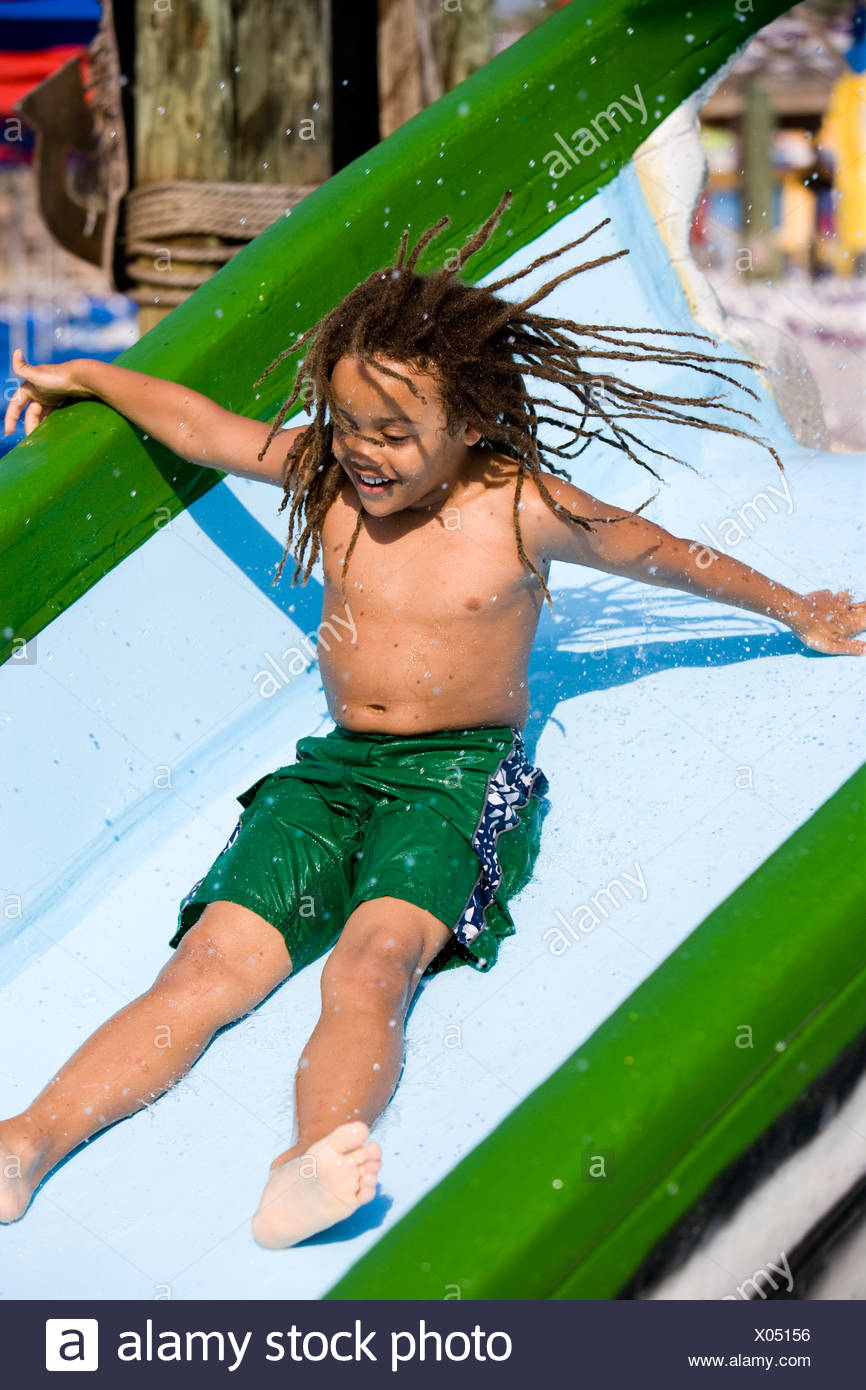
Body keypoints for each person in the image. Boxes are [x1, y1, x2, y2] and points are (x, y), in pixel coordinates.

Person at [1, 191, 863, 1251]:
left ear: (470, 424)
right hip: (329, 773)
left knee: (370, 961)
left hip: (456, 780)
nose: (363, 452)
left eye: (396, 433)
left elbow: (664, 554)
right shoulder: (324, 474)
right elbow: (201, 427)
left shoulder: (518, 508)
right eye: (348, 420)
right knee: (206, 968)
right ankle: (28, 1139)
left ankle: (313, 1157)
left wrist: (795, 608)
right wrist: (87, 375)